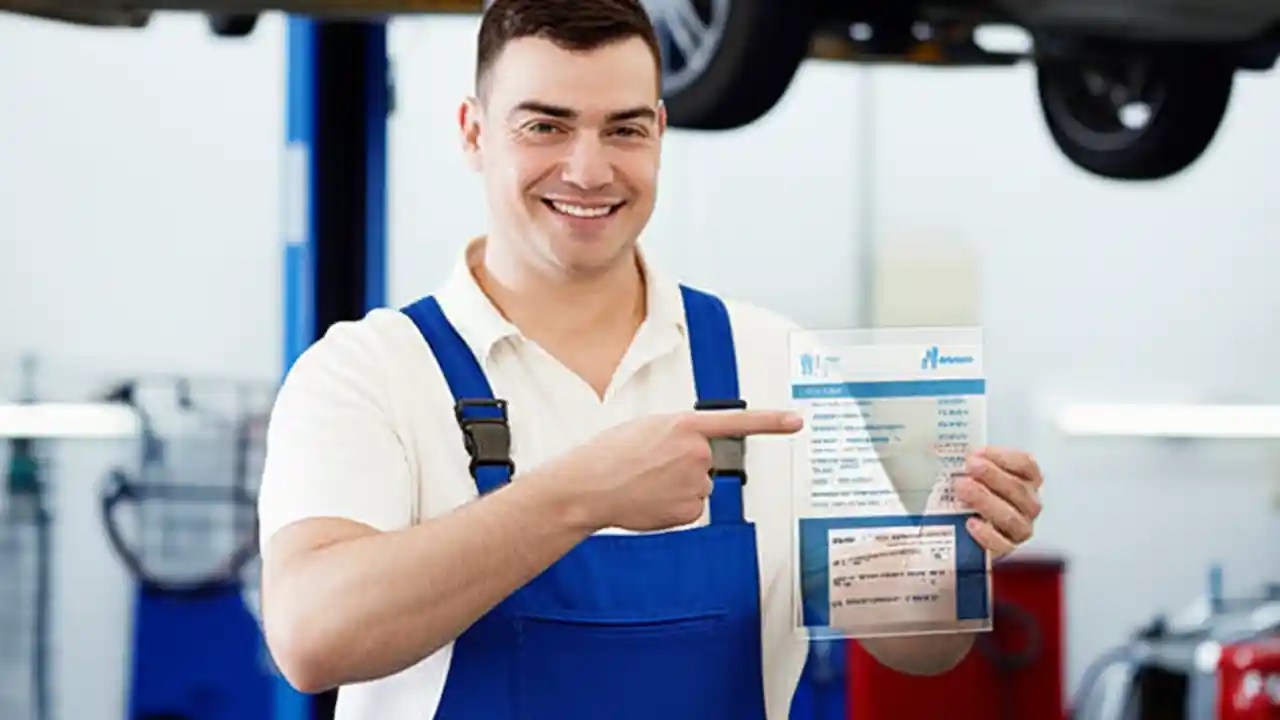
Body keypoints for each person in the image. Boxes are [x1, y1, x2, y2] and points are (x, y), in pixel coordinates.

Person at [255, 0, 1046, 718]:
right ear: (473, 132)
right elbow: (312, 639)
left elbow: (915, 646)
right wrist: (577, 498)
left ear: (660, 133)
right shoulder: (368, 371)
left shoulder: (769, 359)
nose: (589, 169)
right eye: (545, 126)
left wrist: (953, 550)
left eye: (623, 128)